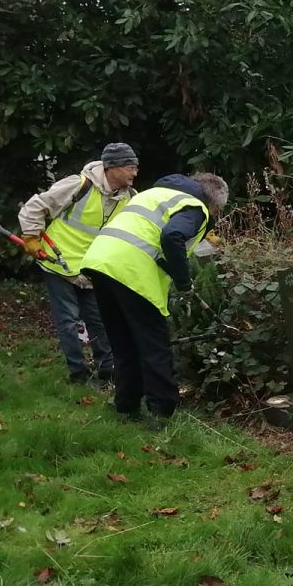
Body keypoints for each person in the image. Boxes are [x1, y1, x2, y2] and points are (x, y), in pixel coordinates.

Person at [79, 172, 230, 428]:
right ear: (214, 204)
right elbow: (172, 236)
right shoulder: (195, 207)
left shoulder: (154, 194)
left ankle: (127, 407)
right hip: (132, 272)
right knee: (154, 345)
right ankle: (162, 411)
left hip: (100, 263)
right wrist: (183, 281)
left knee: (123, 342)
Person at [16, 143, 140, 383]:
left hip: (92, 269)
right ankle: (78, 375)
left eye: (136, 168)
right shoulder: (79, 185)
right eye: (130, 167)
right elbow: (36, 206)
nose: (134, 173)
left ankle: (107, 371)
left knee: (100, 322)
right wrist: (31, 236)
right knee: (69, 323)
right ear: (112, 167)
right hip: (58, 264)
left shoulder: (130, 199)